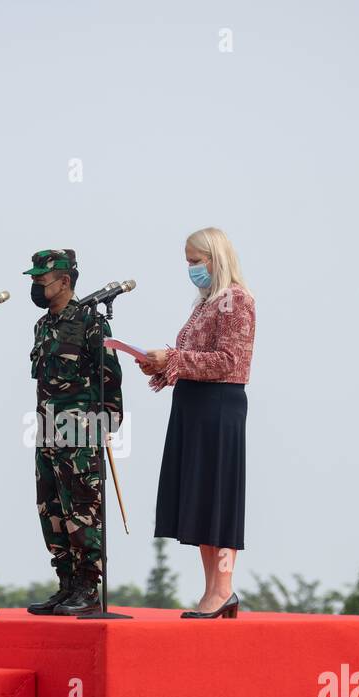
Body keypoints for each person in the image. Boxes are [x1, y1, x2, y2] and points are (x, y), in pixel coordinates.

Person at [137, 227, 255, 619]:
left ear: (215, 259)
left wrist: (172, 359)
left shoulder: (236, 300)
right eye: (187, 261)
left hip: (219, 406)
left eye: (195, 261)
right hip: (192, 404)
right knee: (202, 498)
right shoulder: (206, 302)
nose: (190, 268)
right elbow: (192, 357)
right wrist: (160, 363)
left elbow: (229, 361)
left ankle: (223, 589)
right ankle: (212, 590)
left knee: (219, 497)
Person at [23, 249, 123, 616]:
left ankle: (87, 587)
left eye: (41, 279)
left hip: (80, 434)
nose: (35, 286)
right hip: (47, 431)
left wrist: (107, 426)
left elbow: (110, 377)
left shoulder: (91, 322)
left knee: (82, 509)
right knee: (50, 508)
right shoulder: (42, 326)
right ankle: (66, 584)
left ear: (64, 281)